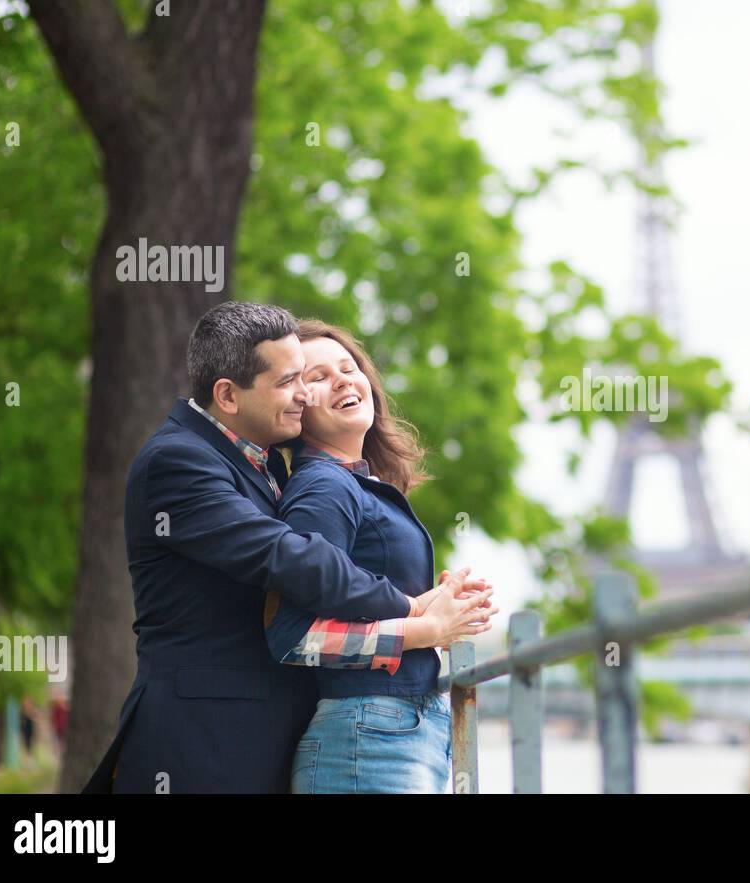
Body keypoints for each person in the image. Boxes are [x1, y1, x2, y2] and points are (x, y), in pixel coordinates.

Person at [83, 301, 488, 793]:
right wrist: (415, 612)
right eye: (288, 382)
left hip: (268, 740)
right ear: (228, 396)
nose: (302, 395)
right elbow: (287, 556)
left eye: (307, 377)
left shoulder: (267, 465)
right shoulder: (177, 461)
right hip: (203, 746)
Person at [265, 320, 499, 793]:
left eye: (349, 368)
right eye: (318, 376)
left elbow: (355, 598)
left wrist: (437, 604)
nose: (343, 380)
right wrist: (426, 630)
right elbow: (292, 637)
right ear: (296, 406)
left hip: (396, 732)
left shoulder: (357, 484)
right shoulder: (324, 489)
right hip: (367, 740)